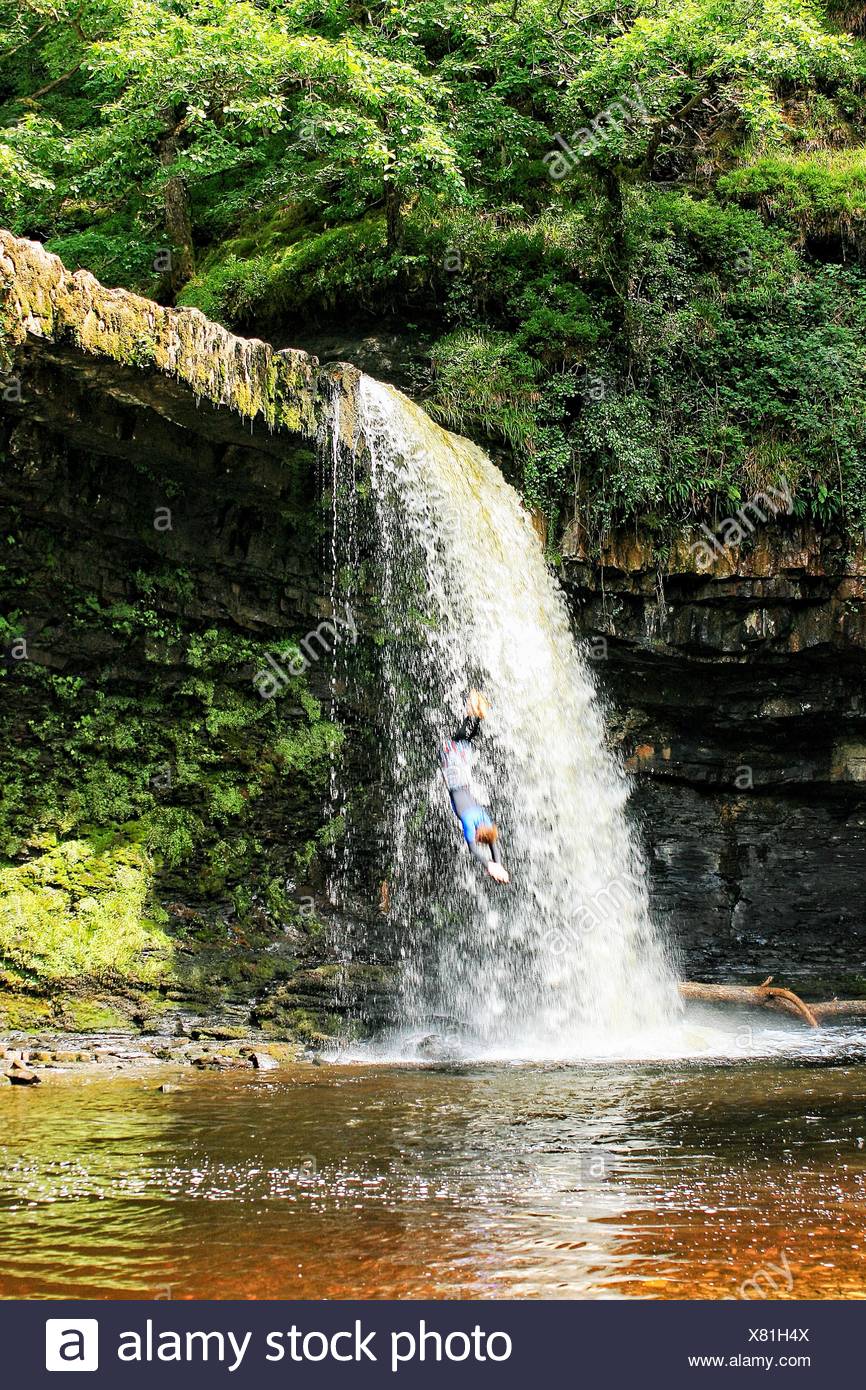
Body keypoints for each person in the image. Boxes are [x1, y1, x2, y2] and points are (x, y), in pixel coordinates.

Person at [440, 690, 510, 884]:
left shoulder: (484, 818)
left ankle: (476, 715)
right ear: (480, 832)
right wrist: (490, 865)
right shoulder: (470, 821)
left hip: (461, 774)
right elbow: (472, 848)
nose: (479, 839)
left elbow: (493, 843)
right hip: (455, 775)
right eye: (480, 838)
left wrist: (499, 863)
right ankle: (473, 713)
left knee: (464, 739)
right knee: (457, 741)